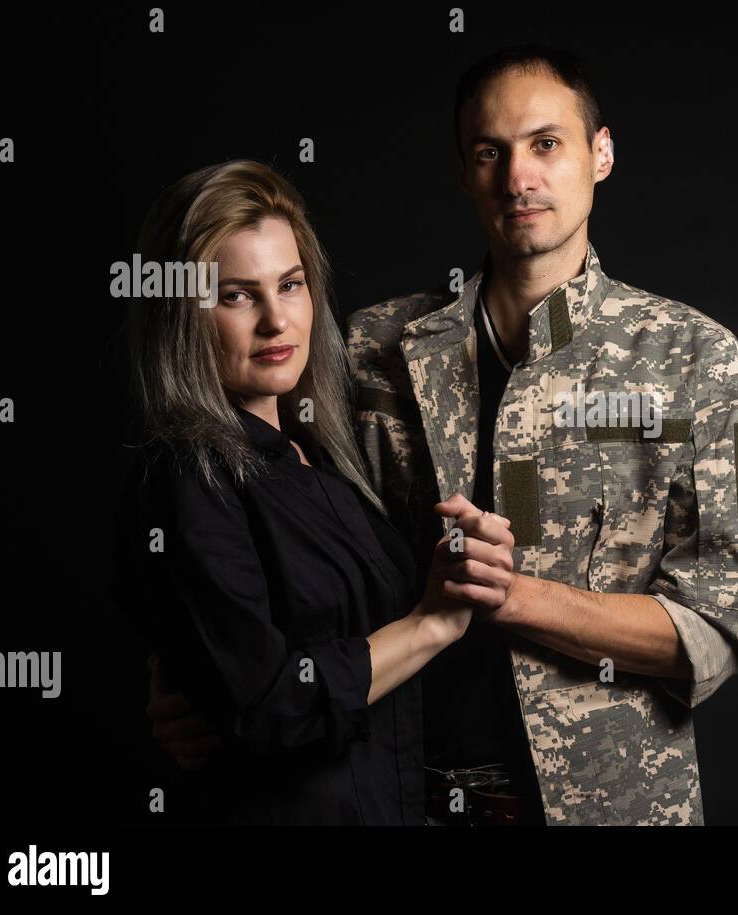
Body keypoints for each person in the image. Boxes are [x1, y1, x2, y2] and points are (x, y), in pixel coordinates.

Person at [151, 44, 738, 826]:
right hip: (399, 795)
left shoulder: (700, 358)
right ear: (465, 172)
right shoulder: (371, 346)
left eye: (547, 144)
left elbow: (722, 620)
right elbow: (268, 524)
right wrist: (189, 666)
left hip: (614, 804)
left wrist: (511, 597)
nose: (520, 177)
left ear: (601, 153)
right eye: (491, 153)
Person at [115, 160, 512, 825]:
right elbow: (271, 704)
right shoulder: (189, 473)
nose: (276, 320)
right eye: (236, 294)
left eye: (290, 285)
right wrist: (429, 623)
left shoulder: (324, 455)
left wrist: (457, 573)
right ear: (180, 314)